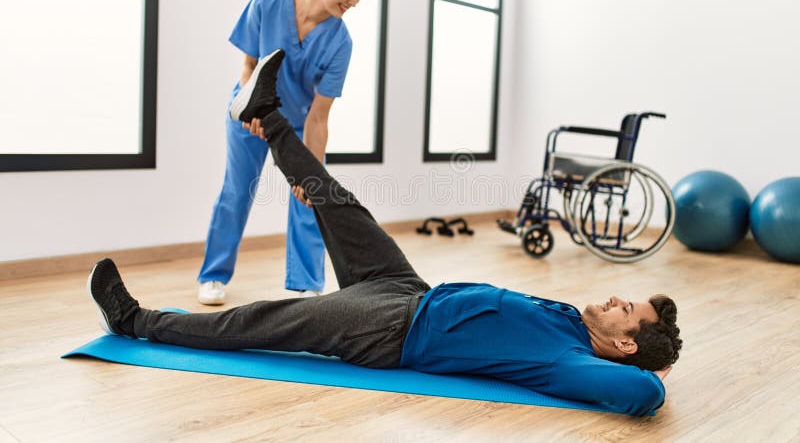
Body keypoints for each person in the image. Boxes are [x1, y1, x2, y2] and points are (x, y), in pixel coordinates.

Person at [88, 52, 682, 416]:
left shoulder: (570, 361)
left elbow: (640, 397)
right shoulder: (573, 323)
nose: (611, 298)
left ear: (625, 346)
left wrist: (650, 377)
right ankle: (265, 114)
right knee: (334, 200)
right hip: (407, 288)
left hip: (387, 330)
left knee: (258, 321)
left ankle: (133, 321)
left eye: (624, 310)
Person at [197, 0, 370, 305]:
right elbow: (248, 67)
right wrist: (251, 109)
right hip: (247, 111)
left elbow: (319, 117)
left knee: (309, 193)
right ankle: (213, 276)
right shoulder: (265, 5)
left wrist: (312, 173)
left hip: (295, 121)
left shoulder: (341, 42)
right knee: (237, 190)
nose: (354, 1)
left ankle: (307, 285)